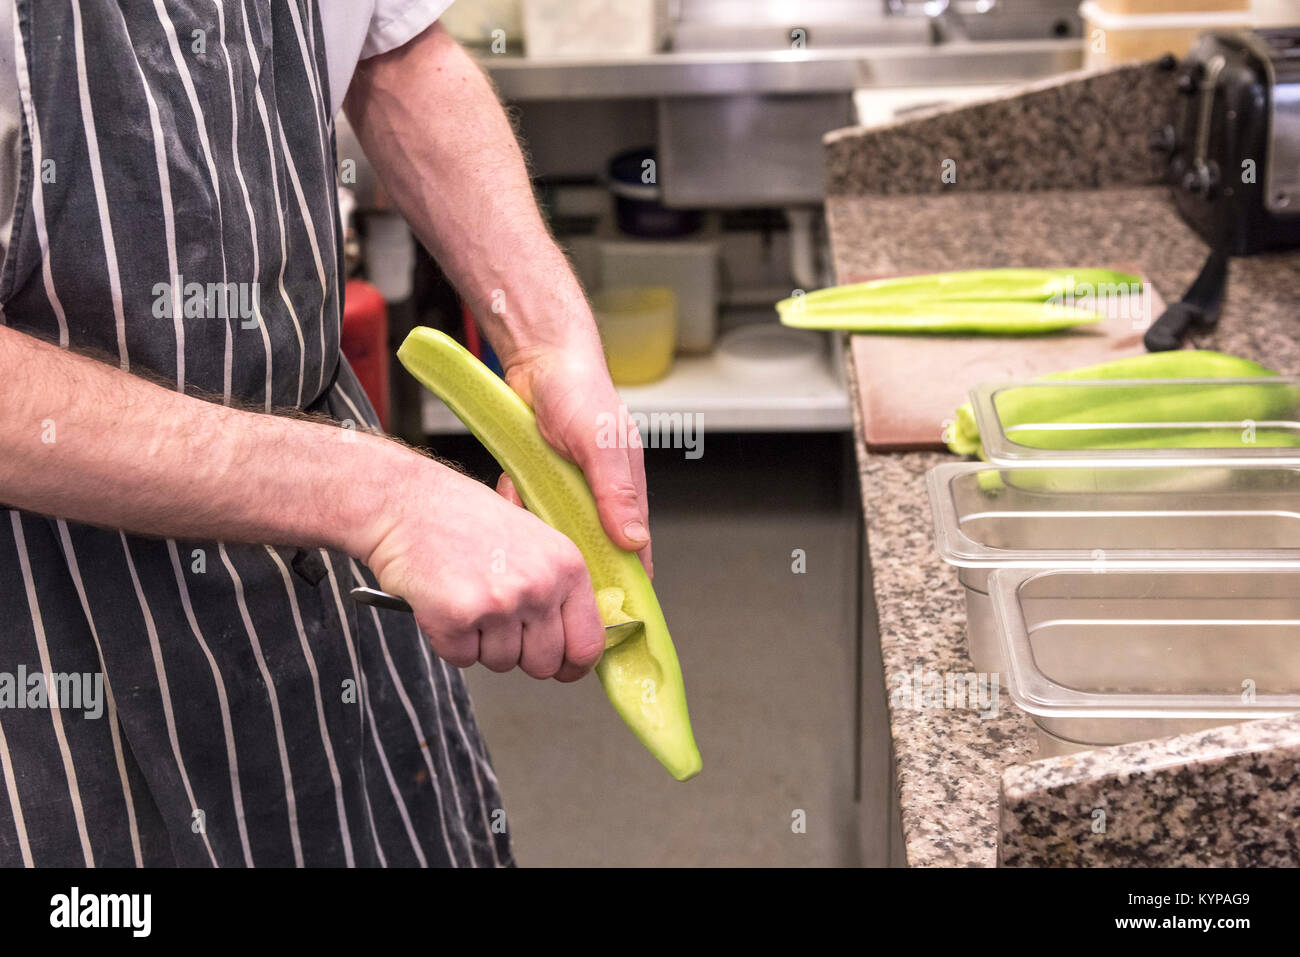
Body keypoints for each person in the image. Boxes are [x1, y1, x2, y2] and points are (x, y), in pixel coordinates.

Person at [0, 1, 649, 867]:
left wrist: (543, 332)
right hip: (43, 623)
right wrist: (374, 492)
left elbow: (395, 49)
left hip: (320, 569)